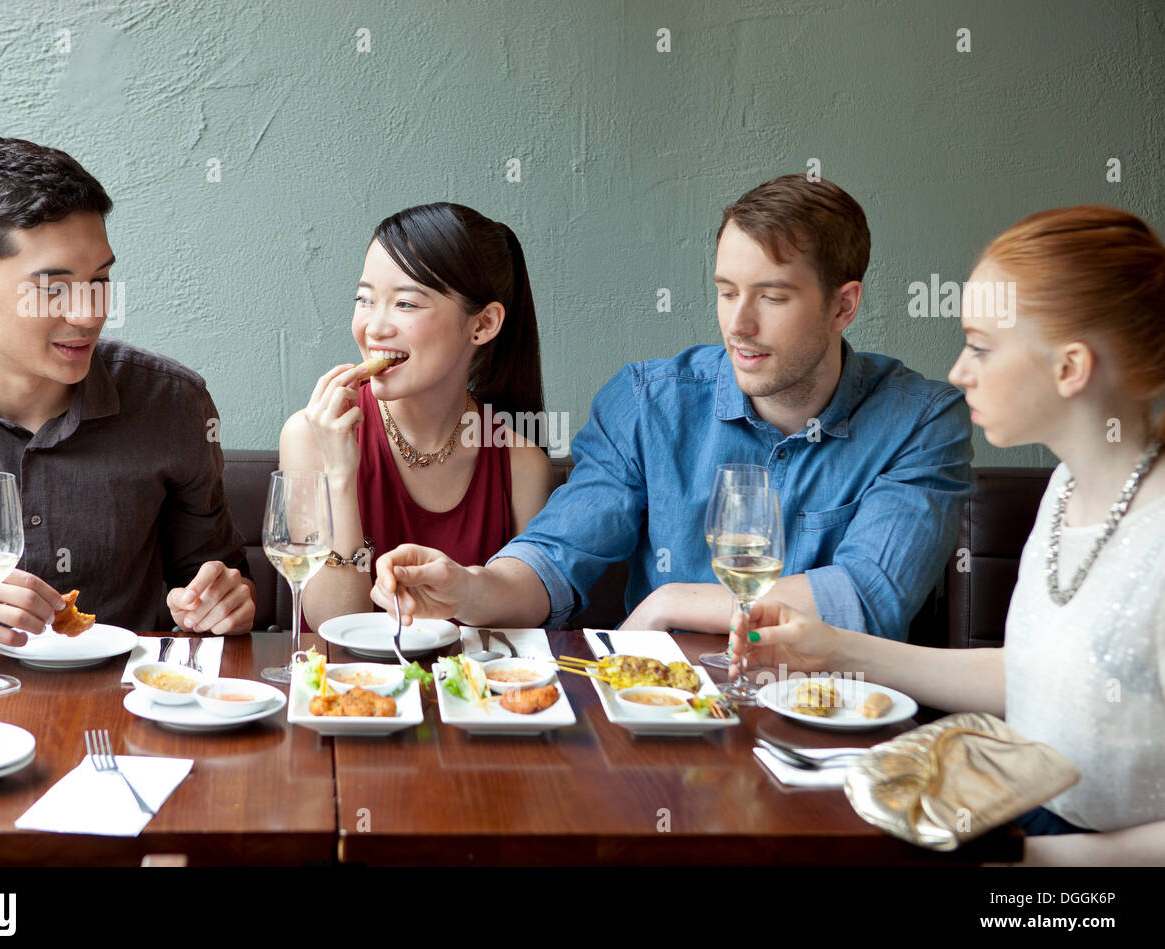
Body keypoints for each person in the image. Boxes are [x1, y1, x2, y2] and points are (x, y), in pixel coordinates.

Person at [730, 206, 1165, 864]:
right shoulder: (1068, 491)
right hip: (1024, 826)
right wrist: (832, 647)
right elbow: (1038, 676)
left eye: (983, 346)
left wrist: (1022, 863)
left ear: (1071, 368)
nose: (960, 370)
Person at [369, 175, 973, 640]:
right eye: (727, 291)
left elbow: (869, 596)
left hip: (831, 729)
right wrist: (470, 588)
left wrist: (670, 601)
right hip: (668, 722)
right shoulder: (647, 403)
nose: (739, 324)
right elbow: (555, 556)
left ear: (844, 306)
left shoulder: (920, 422)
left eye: (773, 296)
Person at [0, 136, 255, 644]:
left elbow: (218, 579)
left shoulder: (173, 402)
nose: (90, 313)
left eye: (99, 279)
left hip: (120, 708)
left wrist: (224, 601)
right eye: (53, 288)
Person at [279, 203, 553, 629]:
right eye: (364, 299)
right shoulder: (310, 435)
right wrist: (339, 473)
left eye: (405, 303)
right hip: (357, 691)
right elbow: (334, 624)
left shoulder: (521, 463)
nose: (374, 327)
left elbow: (524, 629)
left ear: (482, 324)